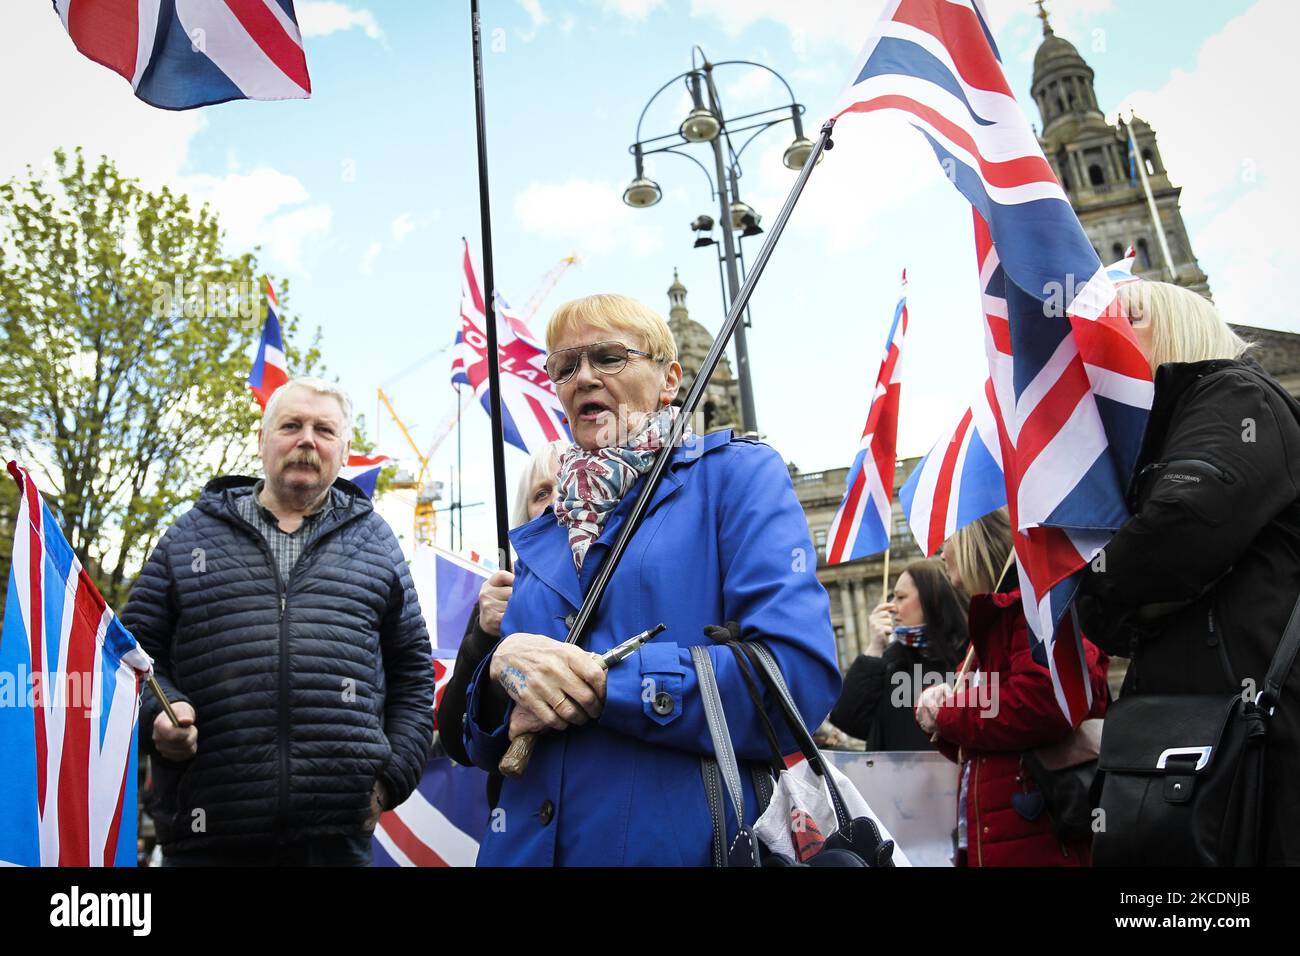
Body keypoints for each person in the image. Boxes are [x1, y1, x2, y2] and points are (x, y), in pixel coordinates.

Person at [461, 293, 840, 866]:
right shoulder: (546, 526)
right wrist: (497, 677)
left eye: (608, 357)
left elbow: (797, 681)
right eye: (565, 366)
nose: (583, 376)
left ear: (670, 379)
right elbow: (482, 741)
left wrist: (602, 685)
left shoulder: (735, 477)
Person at [122, 377, 435, 866]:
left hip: (336, 843)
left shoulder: (377, 543)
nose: (307, 440)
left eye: (324, 430)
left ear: (344, 449)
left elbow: (414, 674)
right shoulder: (188, 537)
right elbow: (129, 658)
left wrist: (390, 778)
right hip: (207, 836)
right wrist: (161, 714)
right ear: (261, 440)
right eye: (291, 425)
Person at [1075, 281, 1300, 864]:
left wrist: (1093, 587)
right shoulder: (1165, 439)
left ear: (1172, 329)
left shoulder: (1235, 394)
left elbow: (1179, 531)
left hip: (1255, 745)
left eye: (1121, 327)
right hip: (1199, 746)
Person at [915, 509, 1108, 866]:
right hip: (998, 834)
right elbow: (983, 736)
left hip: (1038, 839)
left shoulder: (1033, 608)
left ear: (974, 540)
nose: (940, 554)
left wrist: (947, 713)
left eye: (947, 541)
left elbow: (1042, 702)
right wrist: (941, 704)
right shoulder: (989, 629)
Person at [438, 440, 566, 809]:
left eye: (567, 486)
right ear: (524, 513)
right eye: (542, 492)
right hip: (519, 815)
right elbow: (456, 741)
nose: (555, 502)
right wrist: (483, 635)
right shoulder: (501, 594)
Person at [829, 559, 968, 750]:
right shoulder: (892, 660)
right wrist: (875, 648)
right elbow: (849, 720)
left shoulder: (971, 655)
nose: (891, 607)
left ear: (932, 599)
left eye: (900, 597)